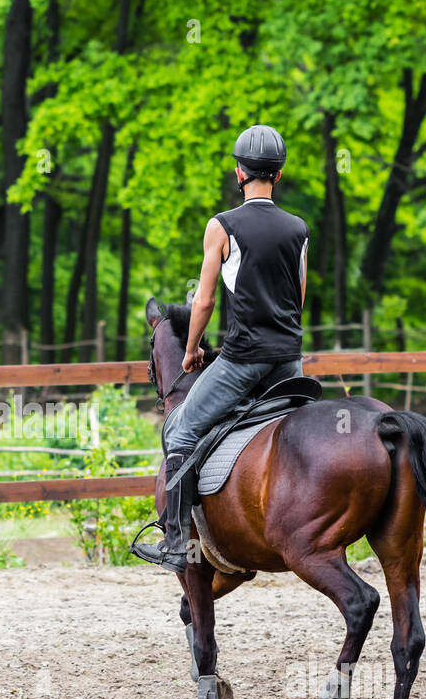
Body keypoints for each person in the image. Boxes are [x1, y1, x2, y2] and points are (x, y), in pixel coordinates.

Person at [131, 124, 309, 572]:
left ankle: (175, 541)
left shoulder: (222, 226)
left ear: (239, 173)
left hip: (245, 358)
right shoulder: (298, 229)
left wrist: (191, 349)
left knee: (179, 432)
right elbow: (299, 293)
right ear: (280, 175)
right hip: (290, 361)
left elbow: (205, 300)